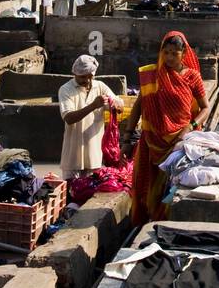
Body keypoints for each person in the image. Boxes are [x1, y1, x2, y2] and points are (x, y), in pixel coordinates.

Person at [125, 31, 209, 226]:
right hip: (151, 141)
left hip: (179, 142)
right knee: (146, 185)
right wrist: (127, 138)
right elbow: (139, 105)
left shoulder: (192, 77)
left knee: (172, 188)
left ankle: (167, 225)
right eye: (166, 52)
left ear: (183, 54)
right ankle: (146, 225)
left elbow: (205, 107)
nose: (169, 58)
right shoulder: (152, 75)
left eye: (174, 53)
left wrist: (191, 126)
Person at [58, 54, 118, 180]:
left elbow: (119, 104)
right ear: (75, 74)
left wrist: (114, 104)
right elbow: (69, 118)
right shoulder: (66, 89)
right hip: (72, 158)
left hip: (94, 157)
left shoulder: (100, 86)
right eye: (83, 77)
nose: (87, 80)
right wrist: (94, 105)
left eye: (90, 76)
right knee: (71, 193)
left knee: (90, 193)